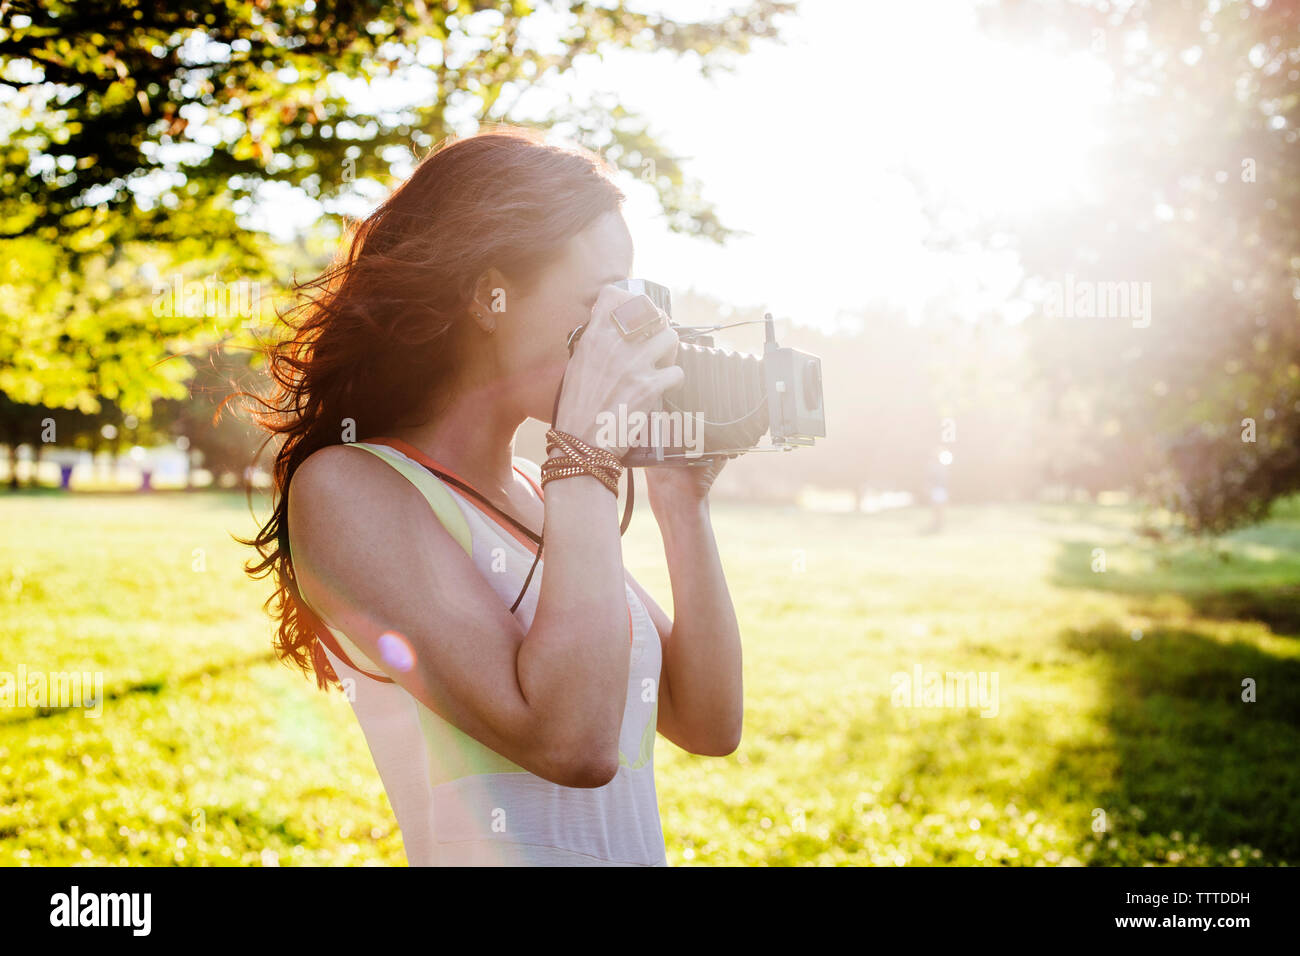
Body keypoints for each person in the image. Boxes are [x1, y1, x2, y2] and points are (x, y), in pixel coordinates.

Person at [242, 127, 743, 866]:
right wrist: (587, 455)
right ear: (489, 295)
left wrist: (680, 498)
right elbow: (572, 744)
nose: (625, 332)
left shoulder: (543, 493)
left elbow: (706, 722)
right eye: (596, 301)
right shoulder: (351, 487)